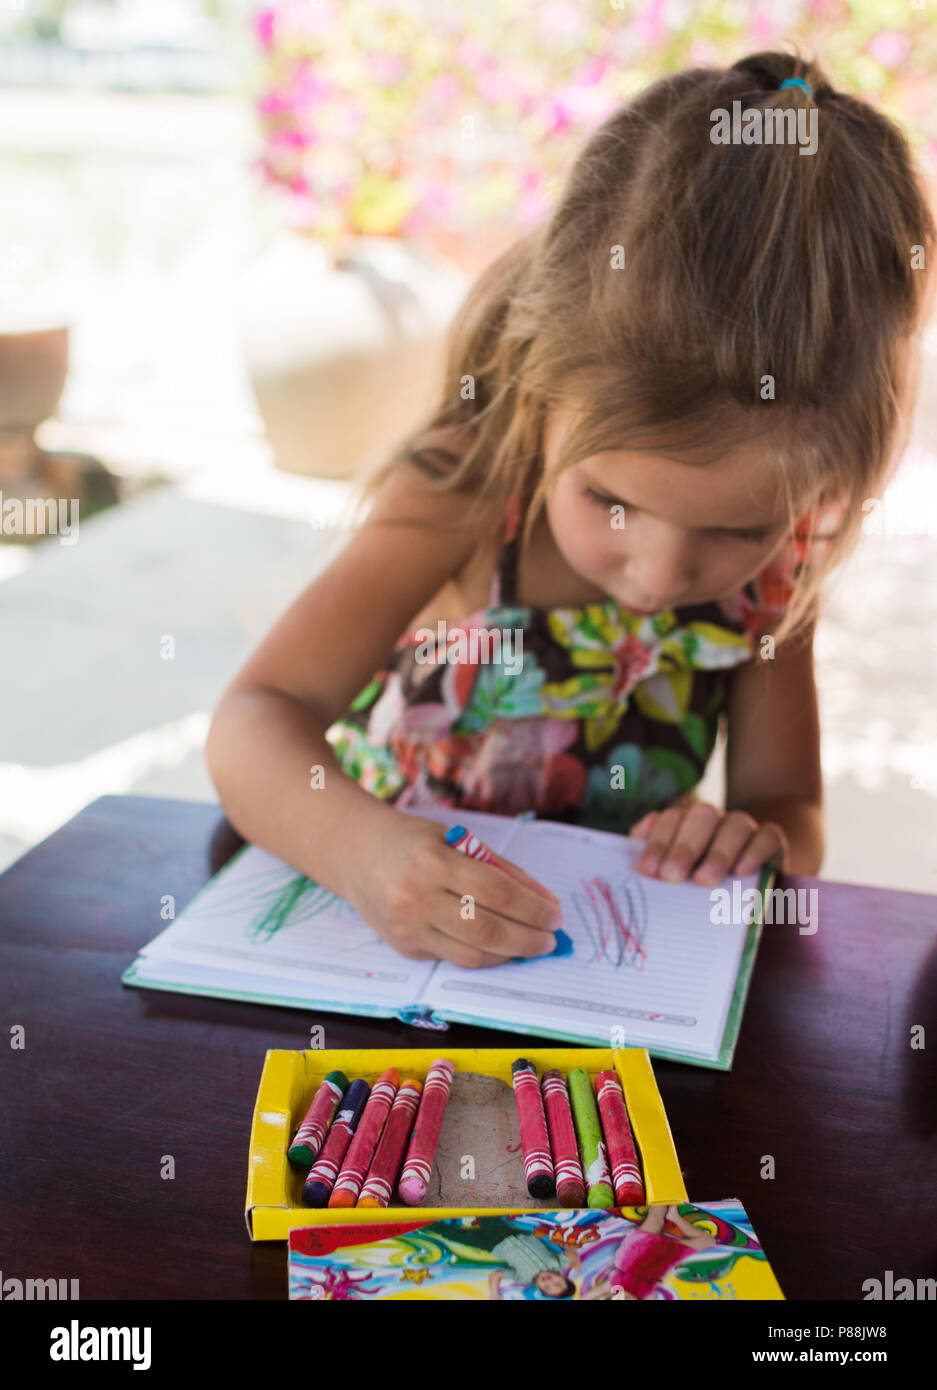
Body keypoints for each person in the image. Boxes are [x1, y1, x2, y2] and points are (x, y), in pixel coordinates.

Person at [207, 51, 934, 968]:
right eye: (611, 501)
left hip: (600, 989)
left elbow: (788, 804)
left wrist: (751, 839)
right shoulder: (458, 500)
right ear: (536, 388)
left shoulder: (776, 576)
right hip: (373, 961)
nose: (662, 572)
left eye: (738, 529)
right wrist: (362, 851)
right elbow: (255, 719)